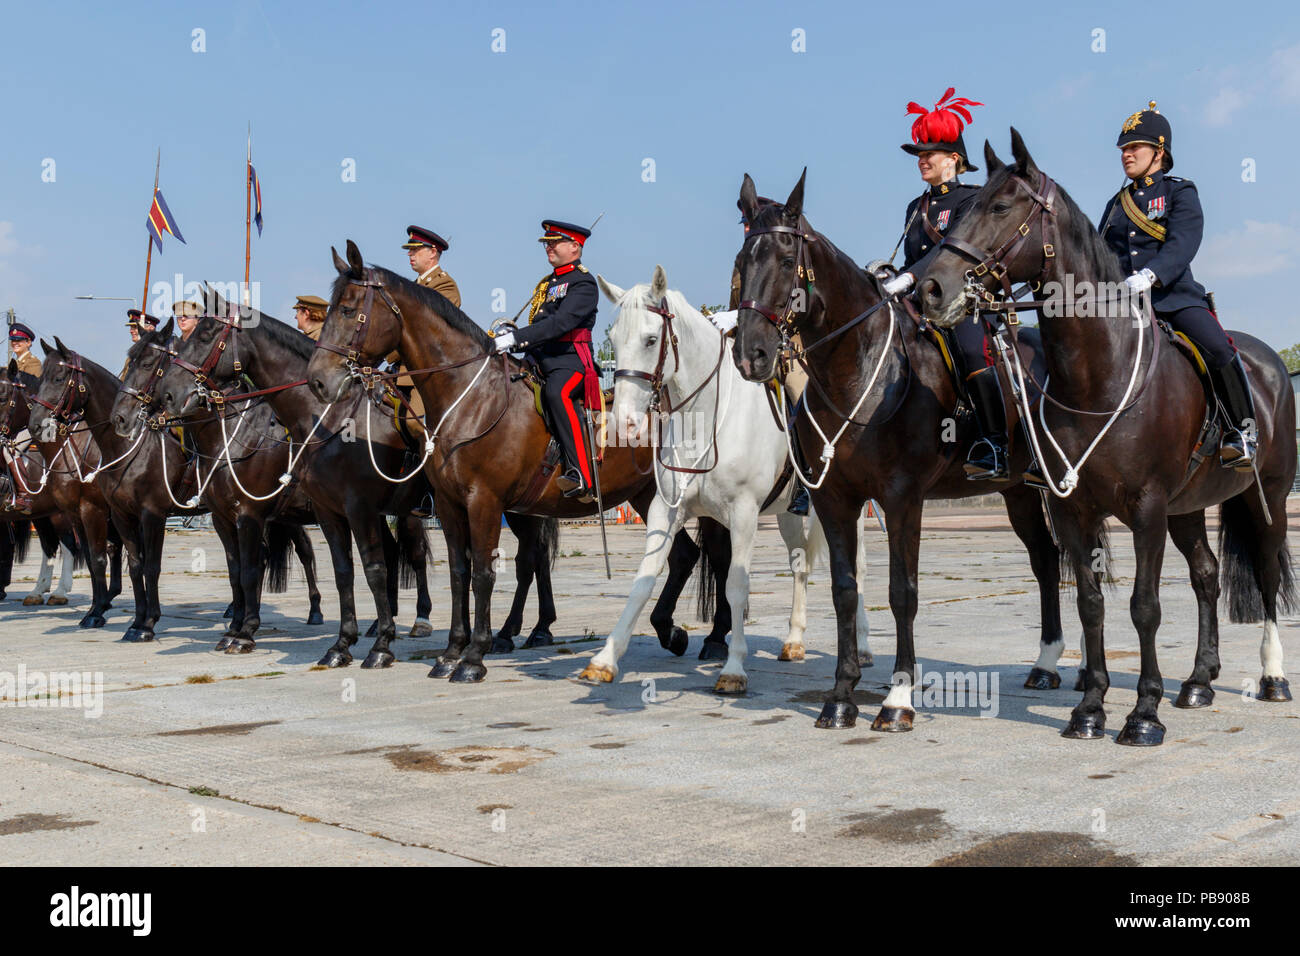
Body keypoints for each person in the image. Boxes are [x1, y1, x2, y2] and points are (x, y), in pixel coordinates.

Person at [1098, 101, 1255, 470]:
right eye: (1123, 148)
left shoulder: (1180, 191)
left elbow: (1183, 242)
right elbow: (1098, 251)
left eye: (1135, 147)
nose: (1126, 154)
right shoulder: (1117, 203)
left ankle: (1242, 432)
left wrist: (1150, 275)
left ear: (1159, 152)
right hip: (1125, 305)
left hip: (1173, 298)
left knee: (1219, 349)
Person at [876, 89, 1010, 482]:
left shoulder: (973, 201)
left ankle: (995, 443)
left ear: (954, 159)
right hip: (919, 304)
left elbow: (951, 253)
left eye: (929, 153)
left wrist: (911, 275)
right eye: (919, 153)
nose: (922, 160)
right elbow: (911, 258)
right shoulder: (915, 207)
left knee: (971, 349)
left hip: (962, 304)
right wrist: (891, 275)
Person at [493, 220, 600, 498]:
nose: (548, 247)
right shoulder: (547, 283)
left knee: (557, 394)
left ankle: (580, 474)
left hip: (570, 361)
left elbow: (560, 324)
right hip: (539, 358)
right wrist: (518, 343)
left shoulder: (583, 282)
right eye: (547, 243)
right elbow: (538, 324)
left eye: (555, 242)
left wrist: (515, 340)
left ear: (575, 247)